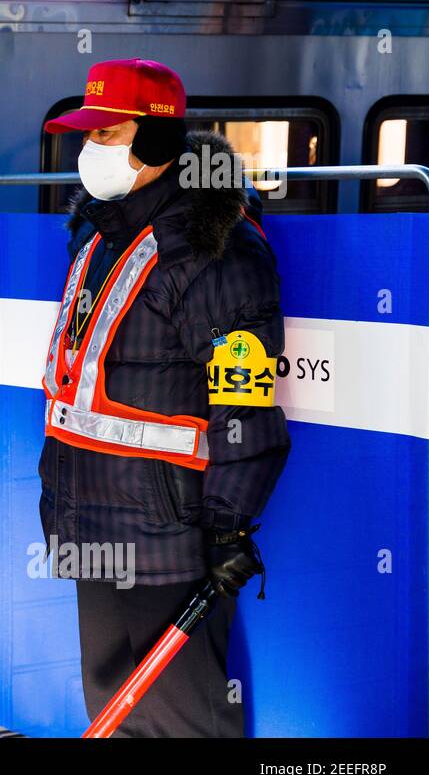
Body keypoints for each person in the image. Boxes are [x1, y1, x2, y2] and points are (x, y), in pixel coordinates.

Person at [38, 59, 290, 736]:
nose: (91, 151)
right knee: (113, 711)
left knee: (183, 723)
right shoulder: (98, 231)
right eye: (86, 136)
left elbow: (246, 404)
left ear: (155, 142)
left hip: (168, 538)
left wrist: (227, 529)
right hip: (91, 528)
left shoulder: (216, 250)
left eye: (107, 134)